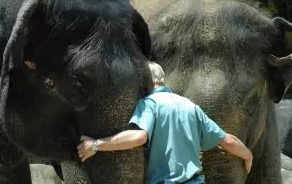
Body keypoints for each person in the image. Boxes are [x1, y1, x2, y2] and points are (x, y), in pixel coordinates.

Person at [77, 61, 253, 184]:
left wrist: (95, 145)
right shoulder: (190, 106)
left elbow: (139, 137)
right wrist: (248, 155)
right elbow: (227, 140)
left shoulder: (149, 105)